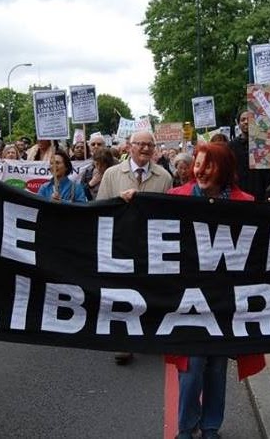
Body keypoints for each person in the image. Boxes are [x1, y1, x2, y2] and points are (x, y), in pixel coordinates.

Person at [164, 143, 265, 439]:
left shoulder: (244, 202)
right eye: (197, 164)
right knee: (192, 366)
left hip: (224, 303)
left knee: (216, 368)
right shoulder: (174, 198)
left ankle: (210, 427)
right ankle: (186, 427)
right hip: (188, 301)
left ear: (223, 169)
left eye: (208, 165)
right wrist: (133, 202)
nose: (200, 171)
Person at [96, 129, 172, 364]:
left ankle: (149, 335)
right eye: (140, 144)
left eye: (150, 145)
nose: (145, 149)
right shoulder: (111, 174)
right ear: (130, 147)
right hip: (121, 242)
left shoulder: (164, 177)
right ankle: (122, 341)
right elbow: (101, 208)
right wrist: (121, 202)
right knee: (121, 291)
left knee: (148, 289)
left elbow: (168, 214)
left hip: (151, 244)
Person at [228, 110, 270, 201]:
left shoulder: (264, 145)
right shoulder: (231, 146)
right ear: (238, 123)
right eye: (243, 119)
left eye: (249, 119)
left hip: (260, 194)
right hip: (239, 194)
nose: (246, 122)